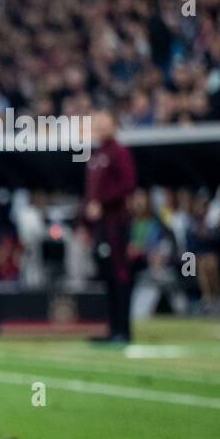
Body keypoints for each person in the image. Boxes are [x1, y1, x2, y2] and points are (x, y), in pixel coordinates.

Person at [83, 111, 137, 342]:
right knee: (106, 275)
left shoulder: (119, 152)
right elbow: (89, 192)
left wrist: (102, 204)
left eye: (104, 122)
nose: (100, 127)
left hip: (116, 224)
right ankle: (112, 328)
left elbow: (128, 184)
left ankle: (122, 330)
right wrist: (85, 220)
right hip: (101, 226)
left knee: (119, 274)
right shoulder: (96, 154)